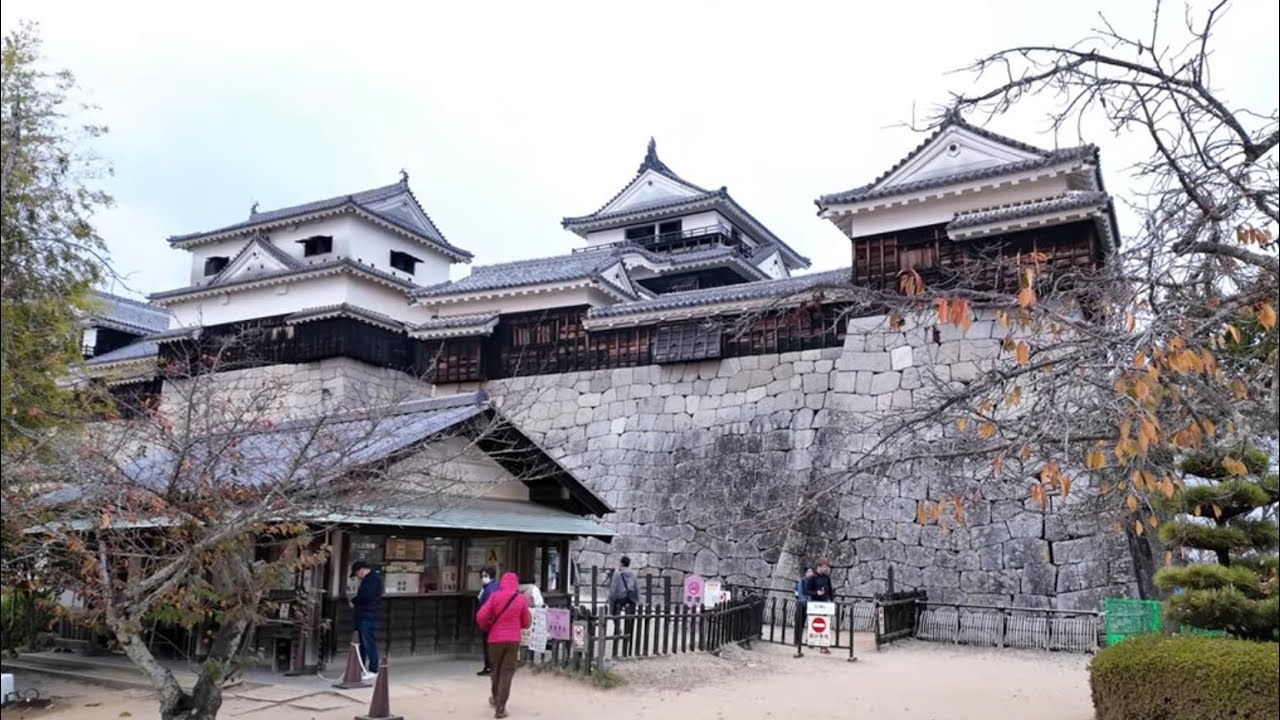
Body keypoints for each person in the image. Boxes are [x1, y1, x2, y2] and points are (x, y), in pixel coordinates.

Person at [476, 572, 531, 719]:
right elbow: (526, 622)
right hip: (513, 640)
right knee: (506, 673)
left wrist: (487, 626)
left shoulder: (495, 596)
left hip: (495, 640)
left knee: (496, 670)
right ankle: (501, 708)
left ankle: (494, 697)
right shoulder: (520, 599)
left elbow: (481, 616)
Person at [349, 560, 383, 678]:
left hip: (367, 614)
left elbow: (367, 596)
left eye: (357, 574)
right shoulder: (370, 579)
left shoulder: (372, 579)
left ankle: (373, 669)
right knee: (361, 643)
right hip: (363, 614)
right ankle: (360, 666)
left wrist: (354, 601)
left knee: (368, 641)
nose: (358, 577)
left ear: (361, 570)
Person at [805, 559, 834, 655]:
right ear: (819, 567)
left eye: (827, 567)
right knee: (814, 623)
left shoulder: (827, 578)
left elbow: (830, 590)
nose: (826, 568)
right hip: (815, 604)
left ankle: (823, 646)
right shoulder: (812, 578)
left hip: (825, 604)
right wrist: (816, 593)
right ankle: (811, 640)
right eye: (824, 567)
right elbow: (807, 591)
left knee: (825, 624)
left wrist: (831, 600)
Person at [476, 566, 499, 676]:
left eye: (485, 576)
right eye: (482, 576)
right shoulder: (492, 587)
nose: (483, 578)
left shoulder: (489, 589)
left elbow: (487, 606)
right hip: (494, 621)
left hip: (489, 622)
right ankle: (490, 666)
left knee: (488, 645)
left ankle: (489, 666)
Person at [794, 563, 815, 653]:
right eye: (809, 571)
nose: (811, 573)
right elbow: (800, 594)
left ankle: (810, 640)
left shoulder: (813, 582)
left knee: (811, 623)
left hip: (811, 605)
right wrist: (806, 601)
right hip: (802, 605)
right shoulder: (801, 582)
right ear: (805, 573)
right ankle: (797, 640)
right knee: (800, 623)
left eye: (812, 571)